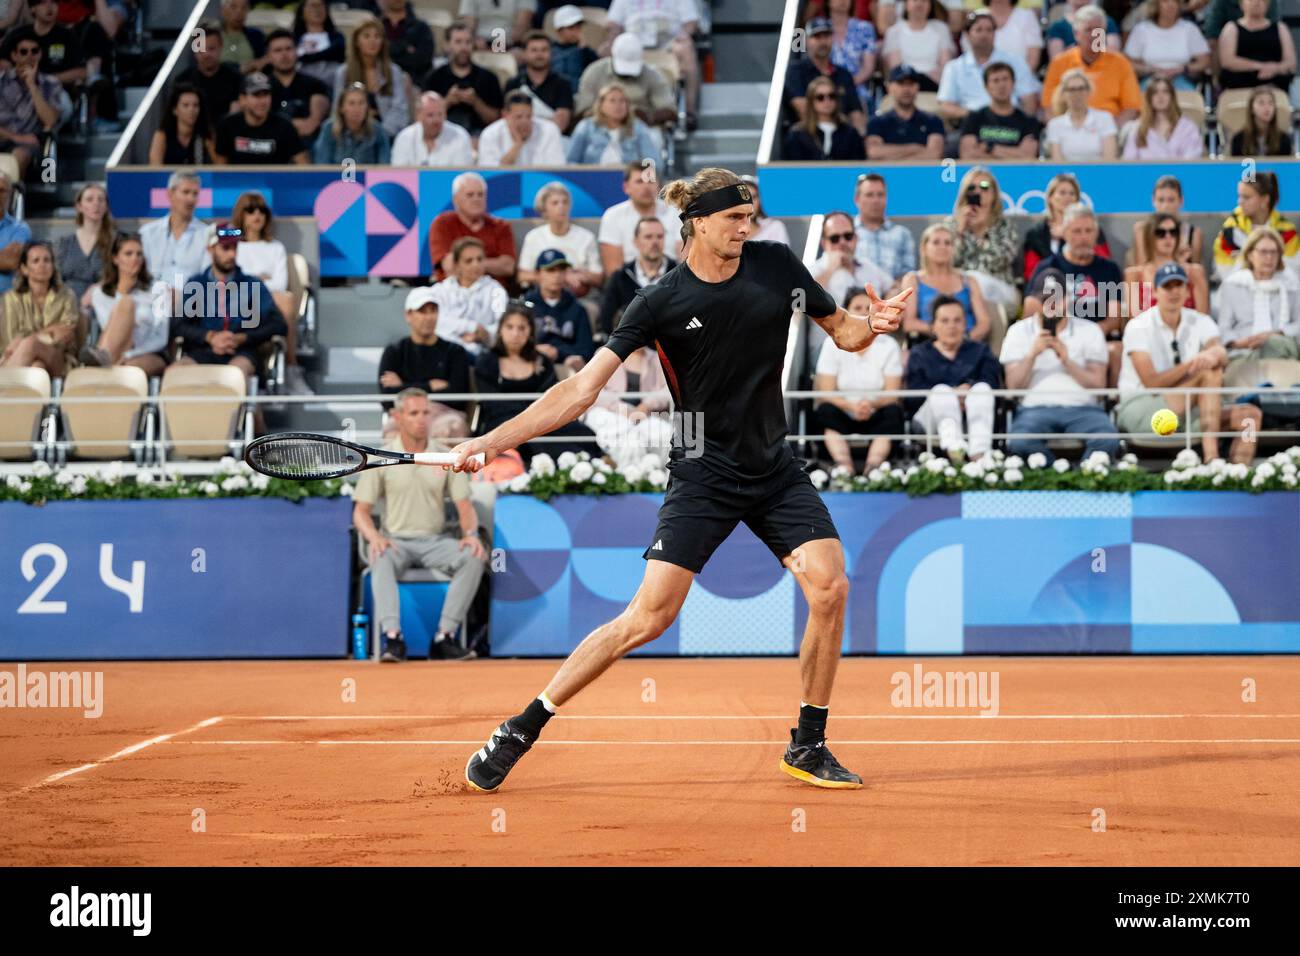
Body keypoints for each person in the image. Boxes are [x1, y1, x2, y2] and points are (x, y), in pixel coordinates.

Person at [447, 167, 912, 794]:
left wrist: (872, 325)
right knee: (648, 618)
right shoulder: (659, 301)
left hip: (773, 465)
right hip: (703, 470)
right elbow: (580, 392)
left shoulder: (776, 265)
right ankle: (521, 726)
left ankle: (808, 743)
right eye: (734, 219)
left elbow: (844, 333)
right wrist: (489, 441)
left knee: (830, 587)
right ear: (697, 224)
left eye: (749, 217)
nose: (747, 227)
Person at [352, 386, 485, 663]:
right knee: (380, 556)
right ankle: (392, 638)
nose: (422, 419)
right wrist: (374, 536)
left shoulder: (447, 456)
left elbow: (465, 506)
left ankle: (445, 637)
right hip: (395, 541)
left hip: (435, 542)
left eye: (426, 412)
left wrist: (470, 534)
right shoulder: (381, 457)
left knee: (474, 556)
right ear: (398, 417)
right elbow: (361, 512)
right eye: (414, 413)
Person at [1117, 262, 1261, 463]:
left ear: (1187, 291)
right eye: (1167, 286)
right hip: (1144, 407)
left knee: (1250, 416)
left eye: (1179, 285)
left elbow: (1217, 348)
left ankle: (1238, 473)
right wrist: (1193, 364)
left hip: (1187, 410)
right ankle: (1212, 459)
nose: (1174, 291)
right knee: (1208, 373)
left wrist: (1214, 354)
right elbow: (1151, 383)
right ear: (1155, 292)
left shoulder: (1201, 320)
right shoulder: (1138, 326)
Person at [1000, 268, 1119, 464]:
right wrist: (1032, 355)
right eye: (1045, 297)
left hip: (1083, 409)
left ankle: (1085, 479)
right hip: (1034, 409)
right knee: (1019, 442)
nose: (1051, 303)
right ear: (1036, 300)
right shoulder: (1018, 332)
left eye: (1057, 297)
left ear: (1068, 298)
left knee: (1107, 440)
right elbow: (1012, 387)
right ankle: (1057, 475)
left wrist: (1067, 360)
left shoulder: (1090, 330)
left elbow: (1098, 384)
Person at [473, 301, 597, 462]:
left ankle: (593, 466)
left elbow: (554, 397)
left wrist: (536, 416)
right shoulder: (487, 361)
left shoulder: (542, 361)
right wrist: (529, 416)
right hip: (502, 423)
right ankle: (571, 467)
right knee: (537, 440)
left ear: (530, 331)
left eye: (521, 328)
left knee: (583, 433)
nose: (515, 333)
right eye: (509, 327)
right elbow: (492, 403)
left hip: (543, 418)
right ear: (500, 331)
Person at [172, 222, 287, 380]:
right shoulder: (196, 284)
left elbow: (278, 325)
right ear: (210, 249)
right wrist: (210, 337)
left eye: (235, 248)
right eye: (226, 248)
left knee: (234, 376)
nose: (232, 254)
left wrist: (243, 338)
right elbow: (179, 325)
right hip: (203, 351)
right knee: (175, 374)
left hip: (243, 352)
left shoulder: (252, 284)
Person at [1025, 203, 1125, 380]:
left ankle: (1112, 404)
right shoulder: (1048, 267)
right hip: (1056, 337)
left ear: (1096, 234)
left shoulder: (1109, 269)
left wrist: (1089, 334)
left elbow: (1114, 318)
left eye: (1088, 231)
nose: (1083, 237)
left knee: (1116, 350)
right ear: (1064, 233)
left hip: (1094, 340)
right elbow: (1029, 311)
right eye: (1077, 231)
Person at [813, 285, 904, 472]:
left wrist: (869, 406)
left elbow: (892, 394)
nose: (864, 313)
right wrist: (852, 407)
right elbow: (826, 392)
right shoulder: (830, 344)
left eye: (867, 308)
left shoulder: (889, 345)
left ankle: (873, 470)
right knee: (825, 412)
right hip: (843, 411)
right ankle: (845, 469)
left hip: (876, 411)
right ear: (847, 313)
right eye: (857, 309)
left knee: (893, 412)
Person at [903, 294, 1002, 458]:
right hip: (929, 419)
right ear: (933, 325)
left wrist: (967, 391)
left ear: (965, 324)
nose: (952, 326)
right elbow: (913, 396)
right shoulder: (919, 354)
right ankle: (955, 453)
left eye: (957, 320)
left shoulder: (981, 351)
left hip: (972, 413)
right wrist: (952, 394)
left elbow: (992, 383)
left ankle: (979, 455)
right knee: (941, 392)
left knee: (982, 389)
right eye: (944, 321)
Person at [229, 190, 306, 391]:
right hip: (237, 303)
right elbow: (231, 281)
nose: (257, 215)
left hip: (267, 304)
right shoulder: (231, 246)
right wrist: (260, 278)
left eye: (261, 210)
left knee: (287, 299)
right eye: (250, 210)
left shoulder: (275, 247)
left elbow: (280, 284)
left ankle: (291, 368)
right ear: (241, 215)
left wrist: (249, 278)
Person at [379, 285, 473, 425]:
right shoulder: (395, 351)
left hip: (445, 416)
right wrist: (429, 386)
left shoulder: (455, 352)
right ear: (409, 315)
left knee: (451, 426)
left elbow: (458, 398)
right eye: (422, 311)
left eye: (433, 311)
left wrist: (403, 386)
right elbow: (387, 399)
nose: (429, 317)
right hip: (405, 417)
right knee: (393, 429)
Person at [936, 7, 1040, 126]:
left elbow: (1029, 102)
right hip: (972, 124)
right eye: (978, 30)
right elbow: (945, 106)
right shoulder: (954, 67)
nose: (984, 34)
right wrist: (977, 116)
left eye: (989, 30)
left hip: (1010, 124)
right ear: (967, 34)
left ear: (995, 33)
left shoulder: (1016, 62)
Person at [603, 0, 700, 127]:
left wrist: (685, 34)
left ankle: (689, 111)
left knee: (686, 47)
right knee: (605, 50)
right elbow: (613, 23)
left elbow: (691, 21)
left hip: (668, 45)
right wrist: (614, 39)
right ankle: (603, 110)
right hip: (632, 45)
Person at [1041, 4, 1141, 127]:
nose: (1094, 35)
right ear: (1076, 34)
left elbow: (1131, 108)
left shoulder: (1120, 63)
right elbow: (1049, 106)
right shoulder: (1059, 63)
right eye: (1088, 30)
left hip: (1110, 128)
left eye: (1098, 30)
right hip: (1069, 128)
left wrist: (1110, 130)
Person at [83, 232, 168, 375]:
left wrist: (131, 354)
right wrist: (124, 290)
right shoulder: (99, 293)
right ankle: (104, 361)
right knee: (127, 304)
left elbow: (161, 338)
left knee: (124, 369)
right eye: (128, 254)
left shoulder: (158, 289)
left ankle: (101, 364)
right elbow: (110, 328)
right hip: (116, 350)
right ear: (115, 258)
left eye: (139, 254)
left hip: (150, 353)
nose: (135, 259)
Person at [1217, 226, 1300, 363]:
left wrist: (1275, 334)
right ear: (1250, 255)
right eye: (1263, 252)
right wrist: (1239, 343)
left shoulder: (1291, 285)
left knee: (1274, 345)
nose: (1269, 257)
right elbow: (1224, 328)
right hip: (1243, 352)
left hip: (1283, 352)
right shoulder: (1233, 284)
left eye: (1274, 252)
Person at [942, 166, 1018, 311]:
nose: (978, 192)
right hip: (958, 288)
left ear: (994, 194)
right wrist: (960, 231)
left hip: (998, 286)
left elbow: (998, 261)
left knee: (974, 281)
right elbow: (946, 261)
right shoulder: (951, 224)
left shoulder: (1005, 225)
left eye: (984, 187)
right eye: (972, 187)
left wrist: (982, 230)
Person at [899, 221, 990, 341]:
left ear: (954, 248)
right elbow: (909, 323)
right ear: (924, 248)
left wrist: (963, 339)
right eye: (936, 242)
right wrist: (943, 333)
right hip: (928, 344)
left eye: (948, 243)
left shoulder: (969, 281)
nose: (942, 247)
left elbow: (984, 323)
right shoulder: (912, 280)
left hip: (967, 343)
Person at [0, 240, 80, 374]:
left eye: (47, 260)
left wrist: (33, 339)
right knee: (37, 367)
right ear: (24, 269)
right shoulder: (11, 298)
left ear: (53, 265)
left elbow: (66, 336)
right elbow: (11, 342)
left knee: (31, 344)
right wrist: (50, 332)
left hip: (59, 359)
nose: (42, 265)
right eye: (36, 261)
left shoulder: (67, 295)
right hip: (19, 358)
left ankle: (4, 387)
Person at [0, 29, 71, 178]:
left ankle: (11, 200)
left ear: (40, 54)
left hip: (31, 146)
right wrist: (15, 137)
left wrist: (32, 85)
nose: (29, 56)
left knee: (19, 155)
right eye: (24, 52)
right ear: (14, 55)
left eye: (34, 51)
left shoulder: (51, 84)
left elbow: (50, 120)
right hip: (5, 137)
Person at [427, 172, 517, 283]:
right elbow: (449, 266)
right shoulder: (442, 223)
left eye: (480, 195)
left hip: (493, 292)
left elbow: (507, 267)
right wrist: (489, 264)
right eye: (470, 195)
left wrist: (467, 263)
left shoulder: (501, 225)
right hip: (453, 291)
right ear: (456, 199)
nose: (476, 199)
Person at [333, 15, 411, 139]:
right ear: (356, 41)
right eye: (366, 36)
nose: (373, 41)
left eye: (377, 36)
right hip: (352, 137)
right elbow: (337, 111)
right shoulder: (343, 72)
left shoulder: (393, 71)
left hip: (387, 135)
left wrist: (380, 135)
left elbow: (400, 110)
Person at [598, 160, 682, 275]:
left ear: (659, 186)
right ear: (626, 187)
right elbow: (613, 271)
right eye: (639, 181)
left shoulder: (676, 214)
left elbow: (686, 262)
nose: (646, 187)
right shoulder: (612, 216)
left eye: (650, 181)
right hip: (628, 286)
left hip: (672, 283)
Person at [1212, 171, 1299, 282]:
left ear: (1264, 200)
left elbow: (1292, 274)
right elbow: (1226, 274)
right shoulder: (1230, 232)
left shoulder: (1287, 232)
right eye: (1239, 196)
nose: (1240, 202)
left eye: (1246, 197)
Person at [518, 180, 602, 293]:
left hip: (580, 299)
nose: (561, 207)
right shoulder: (533, 237)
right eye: (555, 203)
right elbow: (522, 276)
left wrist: (580, 276)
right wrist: (558, 277)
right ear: (543, 209)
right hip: (542, 298)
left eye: (565, 202)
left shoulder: (587, 237)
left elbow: (598, 277)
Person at [784, 16, 865, 132]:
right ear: (806, 41)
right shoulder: (796, 71)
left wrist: (859, 136)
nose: (822, 42)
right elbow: (803, 109)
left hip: (843, 137)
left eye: (826, 36)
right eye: (816, 37)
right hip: (807, 136)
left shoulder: (844, 74)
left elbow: (856, 112)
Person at [430, 236, 509, 355]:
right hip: (445, 351)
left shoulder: (496, 290)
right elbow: (437, 322)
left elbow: (502, 323)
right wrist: (473, 327)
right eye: (469, 261)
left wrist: (483, 334)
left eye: (480, 259)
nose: (476, 265)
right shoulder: (440, 291)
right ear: (456, 265)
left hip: (481, 352)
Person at [598, 215, 676, 336]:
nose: (655, 242)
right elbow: (606, 321)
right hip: (631, 348)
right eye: (648, 237)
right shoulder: (620, 278)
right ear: (636, 242)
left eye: (659, 237)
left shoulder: (679, 275)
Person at [424, 20, 502, 138]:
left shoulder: (489, 78)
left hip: (480, 137)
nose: (463, 47)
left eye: (468, 42)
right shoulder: (434, 77)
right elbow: (423, 117)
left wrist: (476, 102)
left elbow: (497, 121)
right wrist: (447, 101)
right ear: (447, 45)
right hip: (441, 136)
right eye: (458, 42)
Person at [522, 248, 594, 372]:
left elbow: (586, 350)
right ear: (537, 274)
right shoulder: (525, 306)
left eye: (561, 270)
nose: (556, 275)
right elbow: (512, 345)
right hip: (531, 366)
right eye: (550, 270)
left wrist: (558, 353)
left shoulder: (577, 308)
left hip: (568, 368)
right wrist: (536, 351)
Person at [214, 71, 308, 164]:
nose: (262, 101)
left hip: (274, 179)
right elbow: (220, 168)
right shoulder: (227, 126)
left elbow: (304, 165)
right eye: (256, 95)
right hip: (239, 179)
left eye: (266, 95)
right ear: (243, 99)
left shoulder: (284, 126)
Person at [138, 169, 207, 296]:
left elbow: (207, 278)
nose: (191, 199)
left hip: (190, 303)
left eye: (195, 194)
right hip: (151, 300)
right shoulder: (148, 233)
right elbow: (139, 273)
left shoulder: (206, 234)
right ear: (170, 194)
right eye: (186, 192)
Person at [1126, 212, 1210, 313]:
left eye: (1173, 232)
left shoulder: (1194, 273)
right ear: (1149, 236)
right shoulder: (1135, 275)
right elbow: (1135, 321)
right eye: (1160, 233)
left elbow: (1203, 317)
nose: (1168, 237)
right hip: (1149, 328)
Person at [808, 210, 892, 310]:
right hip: (833, 326)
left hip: (872, 324)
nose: (842, 242)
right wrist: (830, 270)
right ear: (824, 243)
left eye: (848, 236)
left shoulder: (867, 266)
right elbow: (801, 302)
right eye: (835, 238)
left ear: (855, 238)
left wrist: (885, 308)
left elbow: (893, 286)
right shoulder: (813, 270)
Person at [956, 61, 1040, 159]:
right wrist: (1014, 153)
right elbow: (968, 155)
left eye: (1005, 79)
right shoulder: (974, 118)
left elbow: (1028, 156)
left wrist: (990, 148)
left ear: (1014, 83)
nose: (1001, 85)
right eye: (995, 80)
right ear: (986, 87)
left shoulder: (1028, 121)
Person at [1123, 0, 1211, 91]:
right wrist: (1149, 69)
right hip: (1149, 78)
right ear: (1156, 5)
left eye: (1174, 2)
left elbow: (1205, 61)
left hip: (1181, 78)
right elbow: (1128, 62)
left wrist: (1183, 69)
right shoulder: (1142, 29)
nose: (1171, 5)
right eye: (1165, 1)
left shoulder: (1189, 29)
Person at [264, 28, 330, 148]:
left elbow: (312, 124)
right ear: (268, 56)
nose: (284, 55)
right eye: (278, 50)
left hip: (307, 146)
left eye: (288, 49)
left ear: (297, 51)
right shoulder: (260, 88)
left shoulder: (315, 85)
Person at [52, 181, 113, 309]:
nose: (96, 203)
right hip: (66, 305)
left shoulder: (115, 241)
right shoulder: (64, 243)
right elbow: (54, 279)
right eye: (90, 199)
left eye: (101, 200)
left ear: (106, 206)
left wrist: (98, 288)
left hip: (103, 303)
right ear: (79, 206)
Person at [568, 81, 662, 164]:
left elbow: (653, 161)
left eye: (622, 101)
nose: (618, 105)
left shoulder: (638, 127)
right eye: (612, 100)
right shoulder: (585, 127)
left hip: (627, 180)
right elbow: (571, 161)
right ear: (601, 105)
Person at [865, 64, 943, 159]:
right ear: (889, 87)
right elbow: (874, 152)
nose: (906, 89)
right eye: (901, 83)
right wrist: (915, 148)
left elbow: (934, 154)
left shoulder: (933, 120)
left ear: (917, 87)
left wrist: (892, 156)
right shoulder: (876, 122)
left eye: (911, 84)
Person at [853, 172, 915, 288]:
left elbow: (908, 275)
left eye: (880, 195)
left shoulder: (902, 234)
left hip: (893, 299)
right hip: (853, 302)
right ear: (857, 199)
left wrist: (892, 294)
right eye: (869, 195)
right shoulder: (846, 235)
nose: (875, 200)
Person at [506, 30, 574, 133]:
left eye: (544, 50)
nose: (539, 55)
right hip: (518, 138)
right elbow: (508, 120)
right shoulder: (513, 83)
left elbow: (560, 124)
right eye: (534, 50)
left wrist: (525, 122)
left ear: (551, 53)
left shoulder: (562, 84)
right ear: (524, 54)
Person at [1218, 0, 1295, 93]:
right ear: (1242, 4)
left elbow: (1290, 62)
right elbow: (1228, 61)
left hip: (1274, 87)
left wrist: (1275, 68)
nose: (1257, 2)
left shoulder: (1280, 28)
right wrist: (1260, 66)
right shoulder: (1231, 28)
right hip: (1239, 87)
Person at [1120, 75, 1203, 160]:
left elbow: (1193, 160)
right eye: (1155, 92)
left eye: (1165, 91)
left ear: (1172, 97)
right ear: (1149, 98)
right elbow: (1129, 161)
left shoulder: (1188, 127)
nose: (1160, 96)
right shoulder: (1138, 128)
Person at [784, 75, 867, 160]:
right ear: (811, 101)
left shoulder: (850, 133)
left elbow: (858, 164)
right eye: (820, 97)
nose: (827, 101)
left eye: (831, 96)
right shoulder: (798, 134)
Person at [879, 0, 954, 93]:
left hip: (935, 86)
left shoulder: (941, 29)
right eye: (915, 0)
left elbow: (946, 67)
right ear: (906, 4)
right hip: (904, 86)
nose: (919, 4)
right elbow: (896, 69)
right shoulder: (894, 32)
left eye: (924, 1)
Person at [1044, 67, 1118, 161]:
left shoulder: (1105, 118)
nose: (1077, 94)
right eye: (1071, 89)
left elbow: (1109, 159)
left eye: (1081, 88)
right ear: (1063, 94)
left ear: (1088, 91)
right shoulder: (1055, 124)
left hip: (1099, 173)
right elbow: (1057, 162)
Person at [477, 89, 565, 166]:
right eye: (519, 117)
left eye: (529, 116)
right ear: (505, 115)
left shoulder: (549, 131)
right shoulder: (490, 134)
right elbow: (492, 175)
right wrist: (517, 145)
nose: (525, 122)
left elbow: (557, 171)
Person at [1130, 175, 1202, 270]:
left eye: (1171, 200)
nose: (1165, 206)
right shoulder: (1142, 230)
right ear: (1153, 201)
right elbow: (1140, 269)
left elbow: (1194, 272)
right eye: (1161, 200)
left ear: (1181, 201)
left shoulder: (1193, 233)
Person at [175, 19, 242, 119]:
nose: (206, 54)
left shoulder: (236, 79)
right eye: (201, 49)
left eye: (211, 48)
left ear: (221, 47)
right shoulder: (183, 81)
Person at [314, 81, 391, 163]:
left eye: (361, 103)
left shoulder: (378, 130)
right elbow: (322, 164)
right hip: (336, 176)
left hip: (368, 176)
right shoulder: (329, 129)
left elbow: (384, 166)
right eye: (351, 103)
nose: (357, 108)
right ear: (341, 108)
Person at [390, 91, 472, 165]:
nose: (437, 120)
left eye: (440, 114)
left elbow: (462, 174)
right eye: (430, 115)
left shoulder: (460, 136)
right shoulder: (404, 138)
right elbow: (398, 173)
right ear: (418, 116)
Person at [825, 0, 878, 110]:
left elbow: (868, 67)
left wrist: (846, 85)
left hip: (857, 89)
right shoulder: (819, 29)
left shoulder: (865, 28)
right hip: (825, 90)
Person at [148, 81, 214, 165]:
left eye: (196, 105)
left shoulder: (206, 135)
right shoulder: (162, 136)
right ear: (175, 109)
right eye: (186, 105)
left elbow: (220, 168)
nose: (191, 110)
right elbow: (155, 169)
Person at [372, 0, 434, 89]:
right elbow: (370, 58)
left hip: (413, 84)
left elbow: (422, 60)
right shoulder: (374, 26)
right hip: (378, 81)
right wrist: (404, 47)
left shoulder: (421, 28)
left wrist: (388, 52)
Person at [980, 0, 1042, 72]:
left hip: (1021, 78)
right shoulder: (977, 16)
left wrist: (1020, 79)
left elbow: (1033, 58)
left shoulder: (1027, 16)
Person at [292, 0, 345, 85]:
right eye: (313, 5)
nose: (317, 10)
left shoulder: (336, 37)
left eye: (321, 5)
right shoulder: (293, 38)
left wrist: (304, 58)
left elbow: (336, 53)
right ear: (302, 12)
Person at [1045, 0, 1120, 59]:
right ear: (1076, 33)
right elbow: (1057, 59)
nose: (1091, 34)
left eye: (1095, 28)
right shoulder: (1058, 27)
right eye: (1088, 30)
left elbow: (1113, 52)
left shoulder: (1107, 22)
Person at [550, 4, 598, 95]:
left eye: (578, 27)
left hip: (577, 95)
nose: (576, 31)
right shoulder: (549, 50)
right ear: (559, 30)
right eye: (571, 28)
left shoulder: (585, 51)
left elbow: (595, 69)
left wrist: (584, 50)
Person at [1230, 84, 1290, 157]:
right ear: (1251, 108)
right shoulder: (1239, 139)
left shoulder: (1283, 139)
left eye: (1270, 103)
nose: (1267, 107)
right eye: (1261, 103)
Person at [458, 0, 534, 51]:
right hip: (480, 44)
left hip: (510, 44)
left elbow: (522, 24)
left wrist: (501, 46)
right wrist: (475, 40)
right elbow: (469, 23)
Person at [0, 172, 32, 294]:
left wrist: (6, 258)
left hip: (6, 303)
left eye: (2, 191)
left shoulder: (20, 228)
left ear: (11, 194)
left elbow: (12, 260)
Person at [218, 0, 267, 74]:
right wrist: (242, 68)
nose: (239, 12)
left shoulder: (257, 35)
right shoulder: (209, 36)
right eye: (233, 7)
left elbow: (266, 58)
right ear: (222, 10)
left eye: (244, 8)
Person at [740, 175, 790, 247]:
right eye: (745, 198)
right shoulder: (728, 231)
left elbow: (781, 257)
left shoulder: (774, 228)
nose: (750, 203)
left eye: (754, 197)